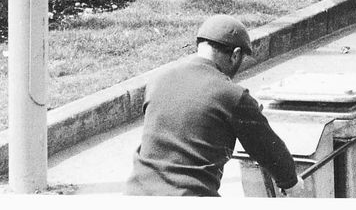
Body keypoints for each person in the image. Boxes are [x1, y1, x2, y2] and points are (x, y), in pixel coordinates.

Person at [126, 15, 300, 197]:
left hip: (136, 196)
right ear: (235, 55)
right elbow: (269, 150)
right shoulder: (233, 95)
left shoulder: (158, 81)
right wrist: (291, 182)